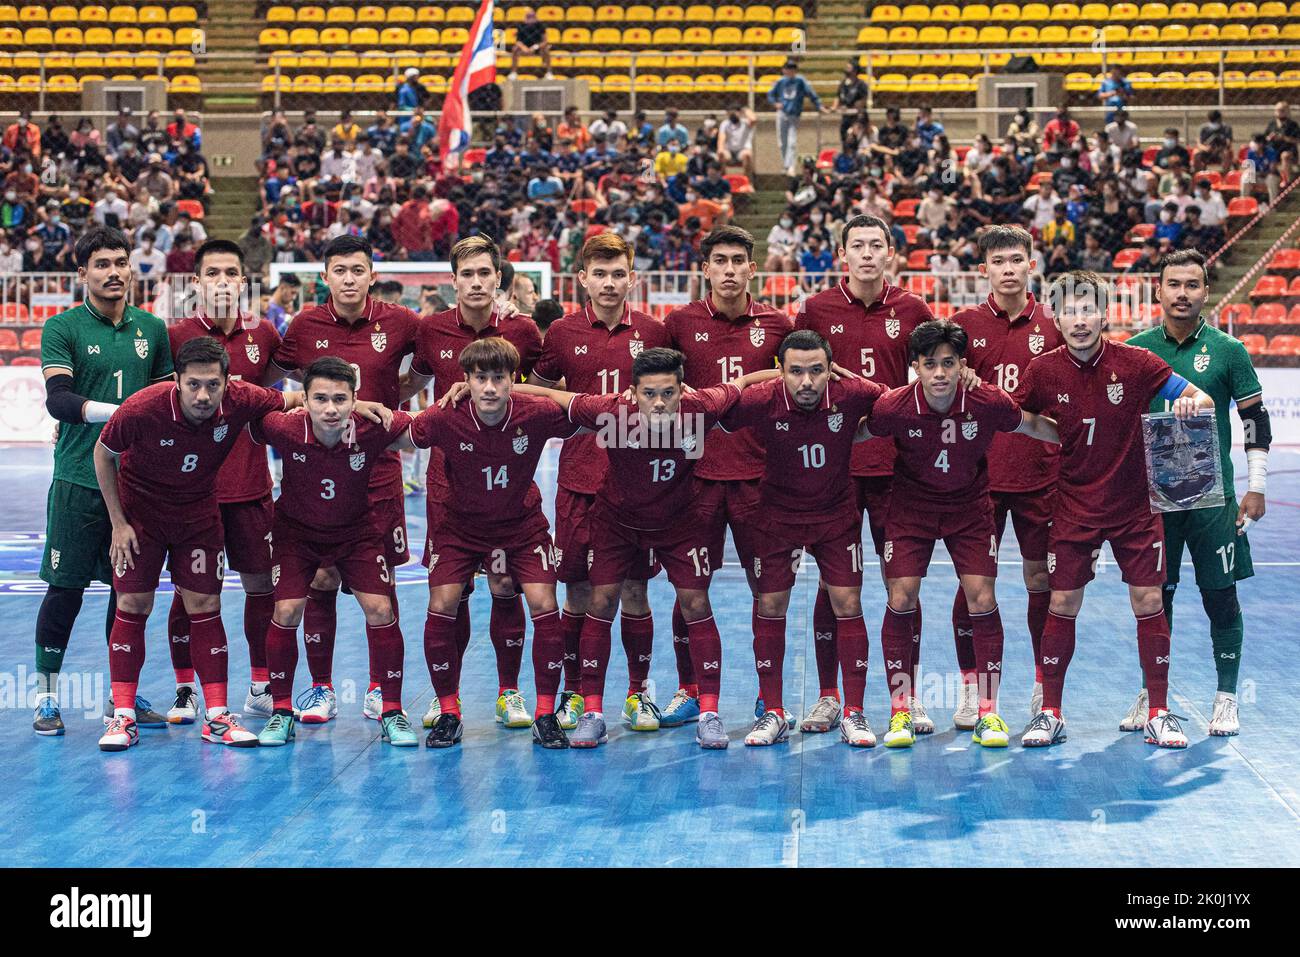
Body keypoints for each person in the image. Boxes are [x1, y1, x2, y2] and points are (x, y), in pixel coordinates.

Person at [515, 349, 777, 748]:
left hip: (678, 523)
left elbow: (741, 383)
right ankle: (594, 712)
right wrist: (488, 387)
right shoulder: (611, 411)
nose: (659, 402)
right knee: (601, 602)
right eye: (650, 393)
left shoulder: (702, 406)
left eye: (668, 393)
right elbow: (555, 397)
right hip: (617, 523)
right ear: (632, 392)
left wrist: (826, 374)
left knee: (696, 602)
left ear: (682, 390)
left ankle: (709, 712)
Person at [1013, 270, 1214, 749]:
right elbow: (1019, 417)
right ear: (1055, 317)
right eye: (1069, 311)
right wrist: (1053, 432)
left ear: (1104, 314)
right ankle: (1051, 712)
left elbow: (1200, 398)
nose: (1079, 321)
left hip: (1136, 510)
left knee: (1148, 603)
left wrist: (1190, 406)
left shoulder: (1139, 363)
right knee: (1062, 603)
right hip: (1074, 507)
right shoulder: (1043, 370)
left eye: (1088, 310)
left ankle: (1160, 712)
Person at [860, 319, 1059, 748]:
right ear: (915, 366)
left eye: (948, 363)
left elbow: (1033, 425)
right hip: (911, 508)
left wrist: (1085, 443)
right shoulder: (893, 406)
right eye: (929, 364)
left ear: (962, 365)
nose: (939, 373)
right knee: (901, 597)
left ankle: (988, 712)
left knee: (982, 598)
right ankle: (901, 710)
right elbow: (851, 433)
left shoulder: (987, 400)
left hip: (969, 508)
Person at [92, 337, 293, 751]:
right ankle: (122, 718)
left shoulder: (241, 398)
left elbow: (295, 399)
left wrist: (362, 405)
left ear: (227, 382)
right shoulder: (142, 408)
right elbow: (102, 453)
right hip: (141, 519)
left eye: (213, 385)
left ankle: (217, 718)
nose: (204, 395)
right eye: (194, 385)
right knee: (134, 606)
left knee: (205, 606)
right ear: (177, 381)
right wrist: (117, 523)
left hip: (198, 517)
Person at [267, 235, 423, 723]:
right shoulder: (305, 324)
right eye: (341, 270)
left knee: (383, 581)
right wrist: (316, 406)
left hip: (378, 471)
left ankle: (380, 688)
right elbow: (276, 379)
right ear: (326, 276)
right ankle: (320, 687)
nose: (350, 278)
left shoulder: (401, 322)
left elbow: (422, 371)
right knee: (320, 575)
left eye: (359, 269)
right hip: (318, 469)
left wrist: (393, 403)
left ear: (372, 275)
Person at [794, 215, 936, 734]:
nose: (869, 253)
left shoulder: (914, 310)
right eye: (859, 245)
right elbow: (794, 376)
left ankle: (907, 696)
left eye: (878, 245)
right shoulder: (815, 310)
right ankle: (831, 697)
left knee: (905, 585)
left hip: (900, 469)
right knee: (833, 586)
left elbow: (930, 382)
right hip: (832, 471)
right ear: (842, 255)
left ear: (891, 254)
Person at [32, 227, 176, 736]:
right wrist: (125, 414)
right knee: (64, 591)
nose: (114, 272)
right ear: (82, 274)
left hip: (136, 485)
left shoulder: (153, 329)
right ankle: (47, 697)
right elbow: (59, 402)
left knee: (129, 596)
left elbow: (168, 401)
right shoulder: (62, 327)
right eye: (101, 264)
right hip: (76, 480)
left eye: (121, 262)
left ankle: (125, 700)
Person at [526, 234, 672, 732]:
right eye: (600, 274)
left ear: (632, 278)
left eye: (618, 274)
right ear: (583, 278)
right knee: (578, 593)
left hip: (639, 484)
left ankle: (638, 694)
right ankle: (572, 695)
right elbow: (541, 393)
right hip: (580, 480)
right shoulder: (562, 334)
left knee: (635, 590)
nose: (610, 284)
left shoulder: (656, 332)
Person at [716, 331, 885, 746]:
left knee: (847, 604)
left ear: (831, 369)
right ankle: (772, 712)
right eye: (795, 371)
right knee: (771, 606)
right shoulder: (763, 397)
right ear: (780, 370)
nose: (806, 382)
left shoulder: (852, 392)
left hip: (835, 517)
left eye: (816, 371)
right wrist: (741, 382)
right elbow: (718, 412)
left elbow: (894, 400)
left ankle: (854, 713)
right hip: (776, 518)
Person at [1126, 250, 1269, 737]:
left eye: (1192, 284)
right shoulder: (1136, 350)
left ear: (1206, 291)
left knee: (1220, 597)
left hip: (1213, 499)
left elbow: (1254, 421)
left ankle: (1226, 698)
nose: (1182, 293)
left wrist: (1257, 486)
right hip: (1153, 500)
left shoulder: (1229, 350)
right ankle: (1153, 695)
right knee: (1154, 599)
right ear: (1159, 291)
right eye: (1174, 284)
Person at [410, 338, 575, 748]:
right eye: (480, 379)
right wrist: (354, 408)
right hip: (459, 527)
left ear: (512, 382)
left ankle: (544, 714)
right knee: (443, 602)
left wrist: (535, 390)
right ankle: (448, 710)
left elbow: (586, 407)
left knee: (544, 602)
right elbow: (398, 432)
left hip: (520, 526)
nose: (488, 388)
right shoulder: (446, 415)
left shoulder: (534, 412)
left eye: (498, 379)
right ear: (464, 381)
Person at [407, 236, 544, 730]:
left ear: (498, 277)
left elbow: (549, 391)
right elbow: (410, 386)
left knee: (506, 584)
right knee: (453, 591)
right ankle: (449, 698)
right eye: (468, 274)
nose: (477, 282)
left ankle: (509, 692)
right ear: (454, 281)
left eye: (485, 273)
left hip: (509, 483)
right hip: (449, 483)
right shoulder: (431, 330)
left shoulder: (525, 332)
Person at [662, 226, 794, 726]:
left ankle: (769, 698)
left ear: (753, 268)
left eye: (739, 260)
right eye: (721, 261)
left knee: (770, 591)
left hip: (761, 478)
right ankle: (690, 688)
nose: (731, 269)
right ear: (705, 269)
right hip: (692, 475)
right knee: (689, 587)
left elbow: (809, 377)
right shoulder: (678, 323)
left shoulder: (778, 325)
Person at [249, 358, 414, 747]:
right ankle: (282, 713)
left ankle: (391, 709)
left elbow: (431, 427)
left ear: (355, 400)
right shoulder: (283, 427)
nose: (330, 408)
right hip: (296, 535)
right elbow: (247, 408)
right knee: (286, 611)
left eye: (341, 399)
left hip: (357, 533)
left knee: (381, 609)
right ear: (303, 400)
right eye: (320, 399)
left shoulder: (373, 429)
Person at [163, 240, 286, 724]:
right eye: (211, 273)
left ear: (242, 281)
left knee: (262, 588)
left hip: (252, 486)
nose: (221, 281)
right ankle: (185, 689)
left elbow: (280, 387)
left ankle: (260, 683)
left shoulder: (265, 333)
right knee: (189, 593)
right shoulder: (175, 336)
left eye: (230, 273)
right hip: (193, 493)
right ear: (196, 282)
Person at [947, 226, 1066, 722]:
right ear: (984, 271)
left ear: (1031, 265)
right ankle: (972, 688)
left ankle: (1042, 685)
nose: (1009, 269)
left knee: (1042, 581)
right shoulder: (960, 326)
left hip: (1043, 476)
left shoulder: (1059, 324)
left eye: (1018, 259)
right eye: (999, 262)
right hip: (979, 479)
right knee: (974, 588)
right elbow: (933, 390)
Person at [767, 59, 828, 175]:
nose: (790, 71)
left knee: (792, 142)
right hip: (782, 113)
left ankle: (790, 166)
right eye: (788, 69)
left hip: (794, 115)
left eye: (792, 69)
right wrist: (775, 103)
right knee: (782, 142)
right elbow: (770, 94)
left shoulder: (800, 81)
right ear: (784, 70)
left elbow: (811, 93)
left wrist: (819, 105)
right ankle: (786, 164)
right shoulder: (781, 82)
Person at [718, 105, 757, 180]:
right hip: (729, 151)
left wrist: (744, 109)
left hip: (742, 150)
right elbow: (721, 140)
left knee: (747, 155)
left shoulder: (745, 123)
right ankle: (723, 179)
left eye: (734, 112)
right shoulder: (725, 124)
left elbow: (754, 119)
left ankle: (746, 180)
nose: (732, 115)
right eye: (730, 113)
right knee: (721, 154)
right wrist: (720, 151)